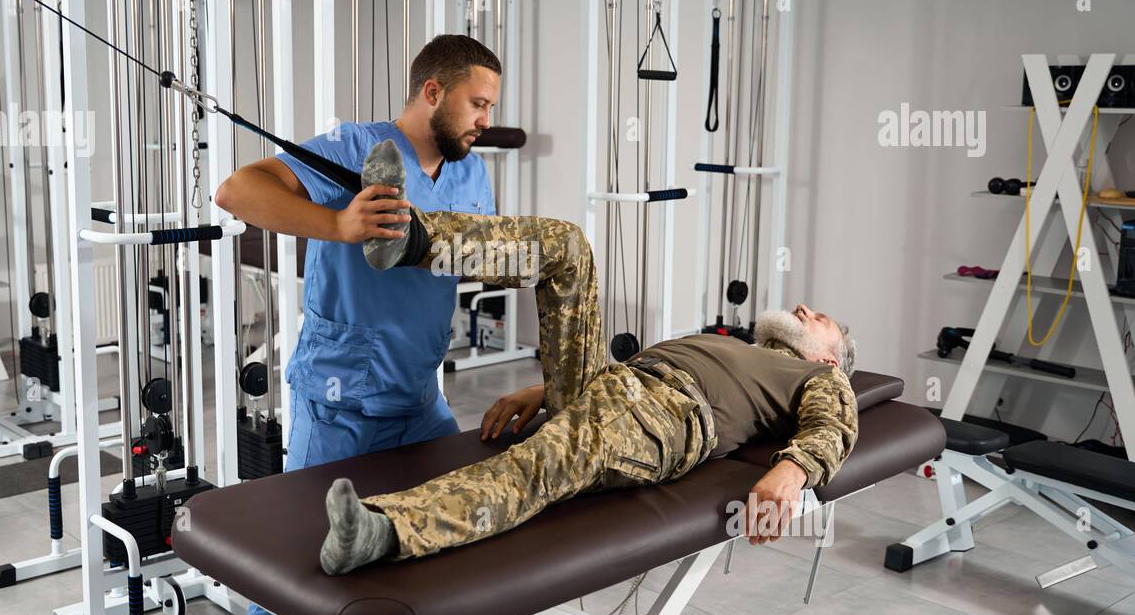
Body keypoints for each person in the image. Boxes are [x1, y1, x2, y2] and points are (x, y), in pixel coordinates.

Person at [315, 144, 860, 574]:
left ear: (831, 359)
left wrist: (793, 472)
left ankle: (383, 532)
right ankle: (410, 240)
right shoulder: (738, 347)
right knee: (568, 247)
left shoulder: (820, 379)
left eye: (821, 319)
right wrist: (543, 391)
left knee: (539, 462)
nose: (804, 307)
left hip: (663, 419)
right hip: (617, 382)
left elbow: (835, 427)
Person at [214, 35, 530, 615]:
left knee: (458, 528)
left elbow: (475, 253)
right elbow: (237, 191)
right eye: (477, 104)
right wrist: (339, 226)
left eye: (490, 106)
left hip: (419, 396)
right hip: (341, 400)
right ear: (432, 93)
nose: (485, 120)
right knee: (296, 561)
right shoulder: (354, 147)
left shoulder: (471, 168)